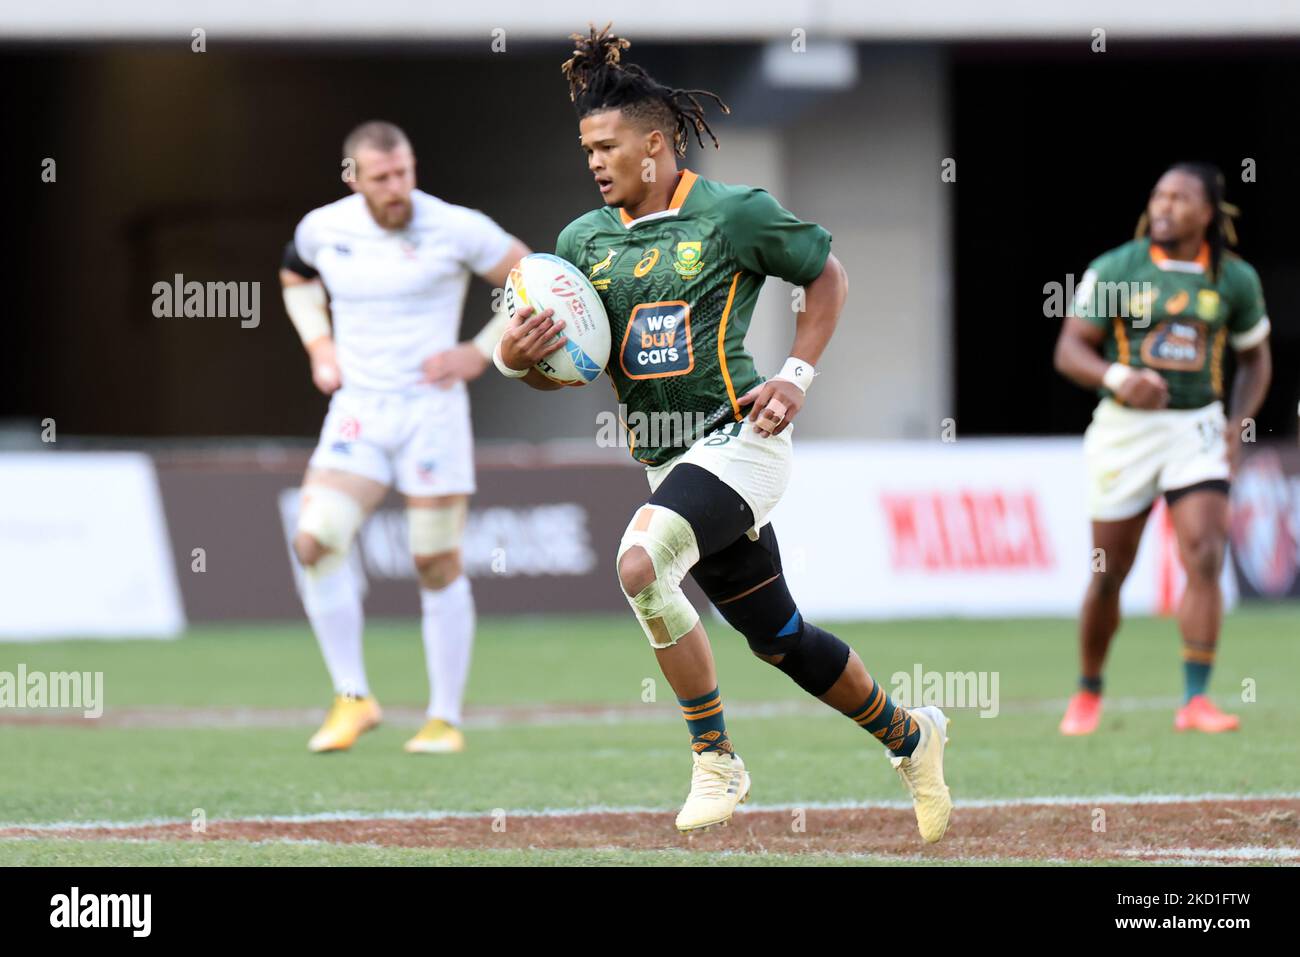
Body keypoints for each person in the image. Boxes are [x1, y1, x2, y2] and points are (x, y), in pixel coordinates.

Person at [495, 25, 952, 841]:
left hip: (740, 441)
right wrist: (516, 357)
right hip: (666, 460)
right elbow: (561, 368)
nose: (595, 162)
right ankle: (910, 736)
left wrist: (796, 374)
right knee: (780, 637)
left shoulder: (732, 213)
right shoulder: (578, 245)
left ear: (657, 143)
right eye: (585, 148)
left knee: (640, 564)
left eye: (608, 145)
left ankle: (717, 757)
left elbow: (826, 273)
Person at [280, 120, 529, 754]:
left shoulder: (454, 225)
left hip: (431, 411)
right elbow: (295, 275)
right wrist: (319, 346)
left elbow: (529, 275)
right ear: (354, 178)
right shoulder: (323, 228)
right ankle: (352, 698)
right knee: (313, 540)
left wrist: (481, 351)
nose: (398, 187)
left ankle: (444, 719)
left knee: (433, 560)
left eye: (406, 172)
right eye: (383, 177)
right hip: (359, 408)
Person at [1054, 162, 1272, 736]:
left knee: (1204, 551)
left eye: (1179, 197)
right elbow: (1071, 349)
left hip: (1195, 427)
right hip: (1125, 432)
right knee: (1109, 573)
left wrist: (1236, 425)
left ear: (1208, 212)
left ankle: (1196, 700)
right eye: (1158, 194)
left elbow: (1256, 358)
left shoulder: (1233, 278)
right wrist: (1121, 378)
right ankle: (1088, 691)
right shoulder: (1117, 268)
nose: (1163, 205)